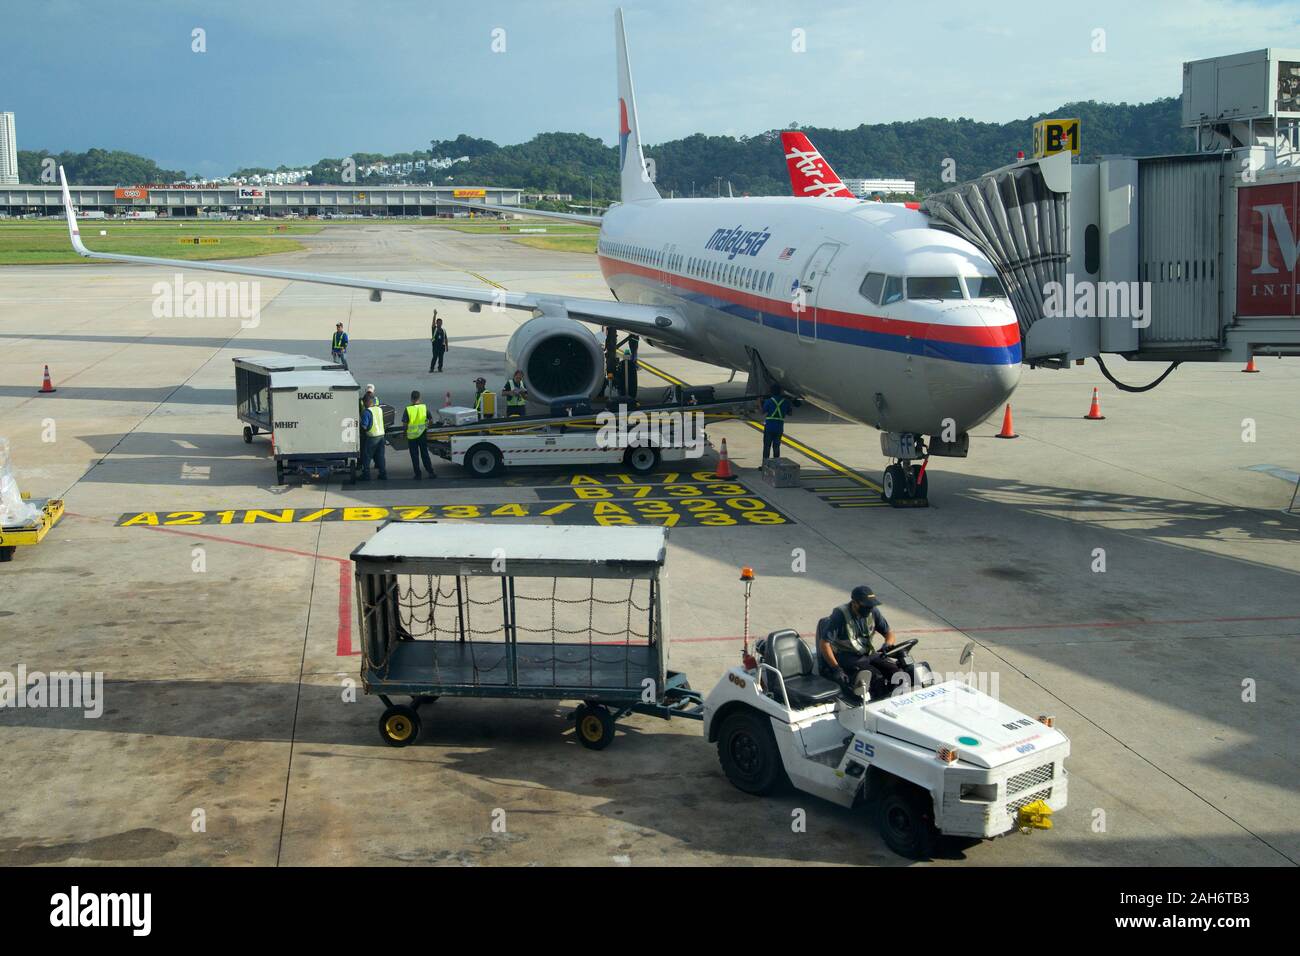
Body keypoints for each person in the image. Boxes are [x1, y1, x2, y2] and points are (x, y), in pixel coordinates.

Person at [817, 585, 899, 700]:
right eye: (866, 606)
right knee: (875, 676)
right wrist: (836, 668)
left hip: (867, 653)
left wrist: (888, 644)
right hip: (846, 656)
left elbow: (889, 633)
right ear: (855, 603)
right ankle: (878, 702)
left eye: (871, 606)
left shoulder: (873, 611)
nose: (869, 609)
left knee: (895, 671)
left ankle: (894, 697)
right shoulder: (840, 615)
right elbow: (824, 644)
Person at [402, 390, 435, 479]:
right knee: (425, 454)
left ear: (411, 398)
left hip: (412, 437)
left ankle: (418, 474)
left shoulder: (408, 409)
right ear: (419, 398)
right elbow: (431, 420)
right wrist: (427, 427)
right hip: (422, 434)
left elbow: (405, 424)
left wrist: (404, 433)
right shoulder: (424, 408)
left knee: (414, 456)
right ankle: (430, 472)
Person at [358, 394, 387, 481]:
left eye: (364, 402)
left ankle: (366, 475)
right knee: (380, 456)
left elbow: (364, 426)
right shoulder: (379, 410)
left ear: (367, 402)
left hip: (372, 437)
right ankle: (383, 474)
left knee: (367, 456)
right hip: (381, 436)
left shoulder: (366, 412)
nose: (363, 404)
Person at [761, 385, 792, 459]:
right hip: (779, 427)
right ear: (780, 392)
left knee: (767, 447)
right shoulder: (785, 401)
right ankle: (776, 464)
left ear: (771, 392)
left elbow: (762, 412)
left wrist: (759, 402)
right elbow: (790, 413)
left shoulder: (769, 401)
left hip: (769, 427)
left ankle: (765, 464)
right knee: (776, 447)